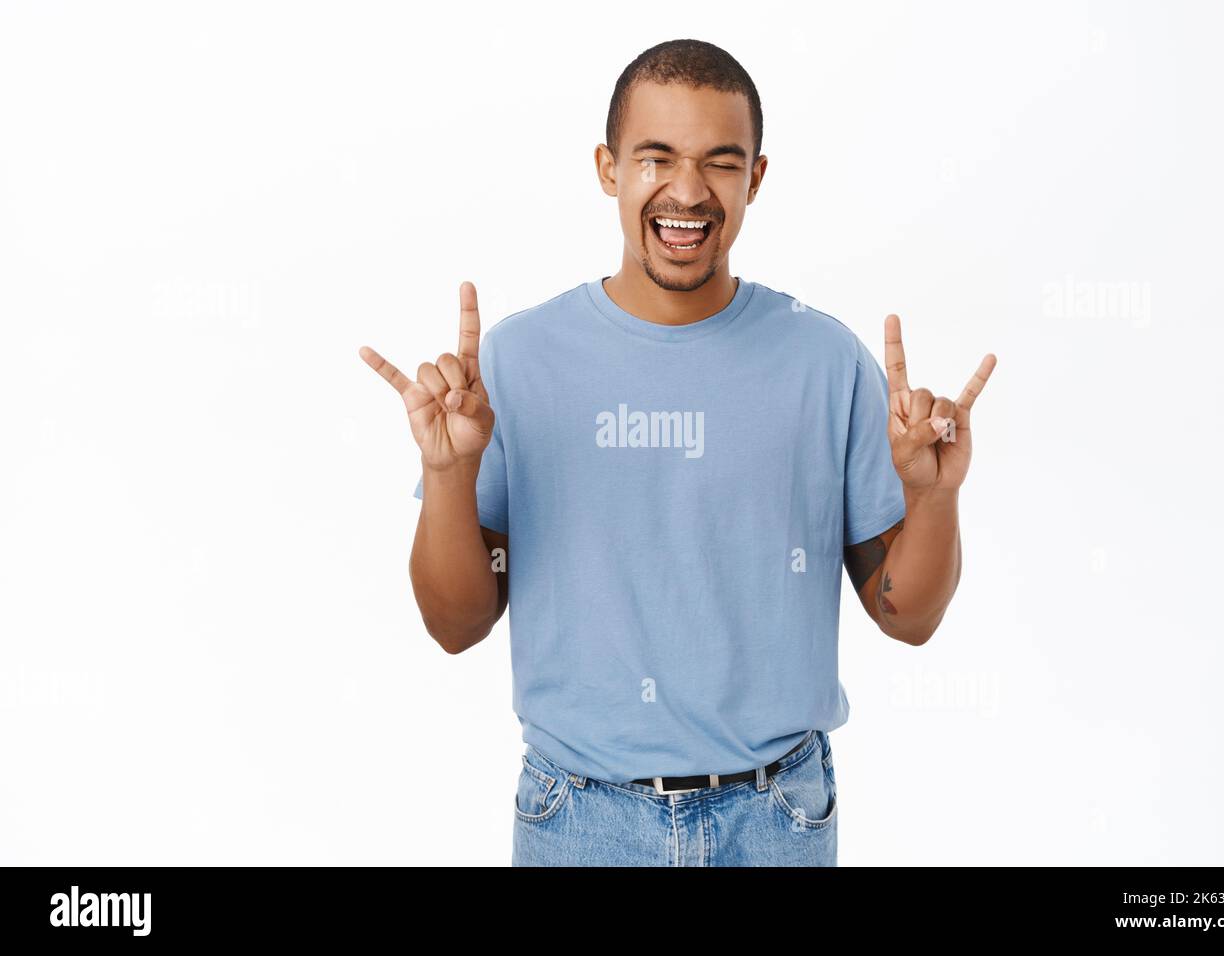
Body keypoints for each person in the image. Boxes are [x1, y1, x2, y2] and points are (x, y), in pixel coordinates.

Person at [358, 38, 996, 866]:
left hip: (779, 821)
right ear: (607, 167)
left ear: (755, 178)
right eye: (656, 157)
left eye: (720, 163)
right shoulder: (516, 363)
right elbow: (455, 625)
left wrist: (935, 498)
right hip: (579, 821)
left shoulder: (827, 362)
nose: (687, 192)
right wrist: (449, 476)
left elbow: (904, 616)